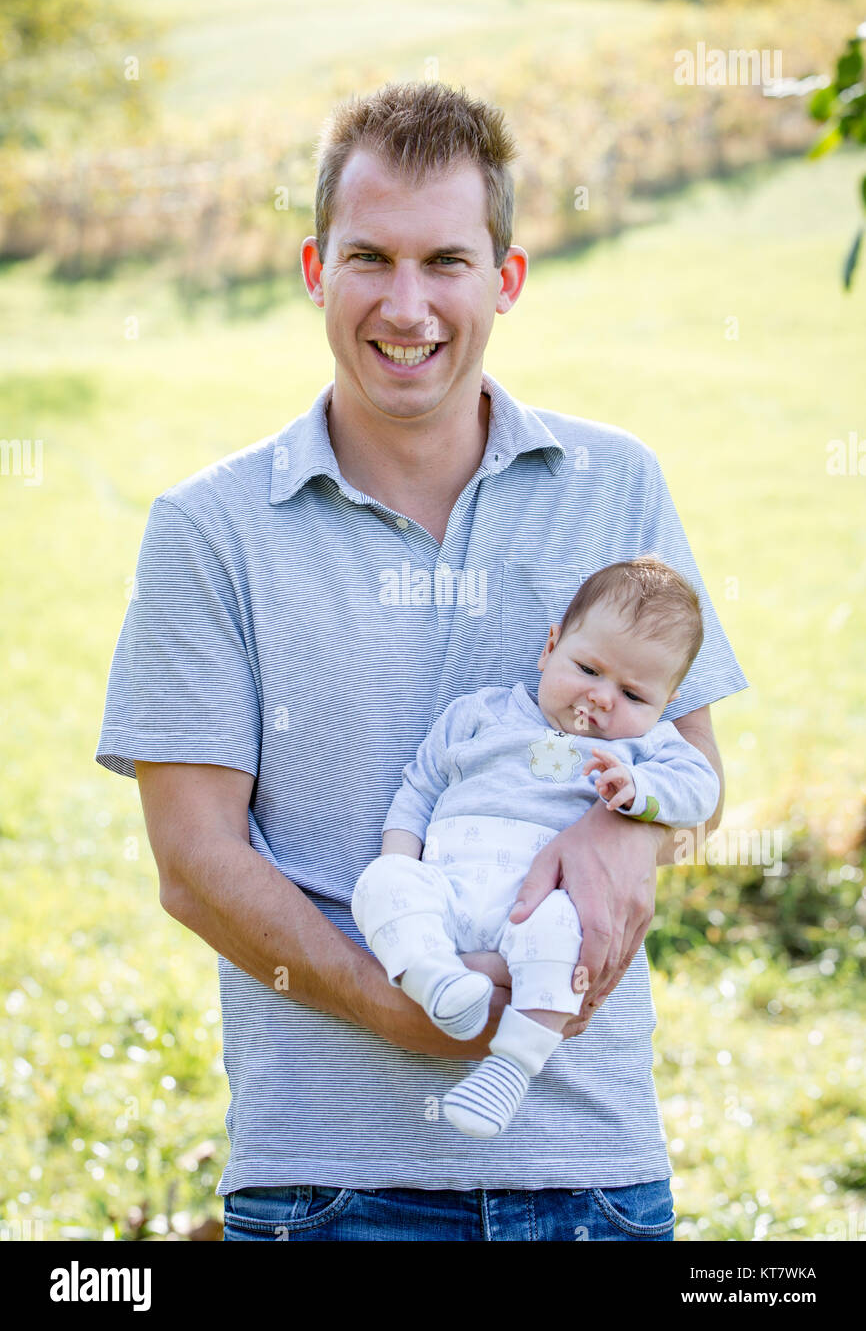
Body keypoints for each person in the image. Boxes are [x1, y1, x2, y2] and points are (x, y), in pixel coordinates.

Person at [95, 81, 747, 1242]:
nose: (407, 306)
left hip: (590, 1168)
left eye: (446, 260)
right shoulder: (210, 528)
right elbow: (193, 863)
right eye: (369, 259)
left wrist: (619, 828)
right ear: (312, 268)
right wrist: (399, 1013)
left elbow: (692, 777)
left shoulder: (615, 485)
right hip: (328, 1182)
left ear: (504, 279)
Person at [352, 556, 721, 1140]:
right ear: (551, 646)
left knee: (565, 939)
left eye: (632, 693)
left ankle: (512, 1066)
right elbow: (418, 790)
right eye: (588, 668)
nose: (601, 698)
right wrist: (401, 863)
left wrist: (640, 791)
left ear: (663, 704)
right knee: (380, 885)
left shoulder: (648, 746)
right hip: (450, 890)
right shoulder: (479, 714)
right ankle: (439, 980)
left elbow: (702, 790)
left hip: (542, 906)